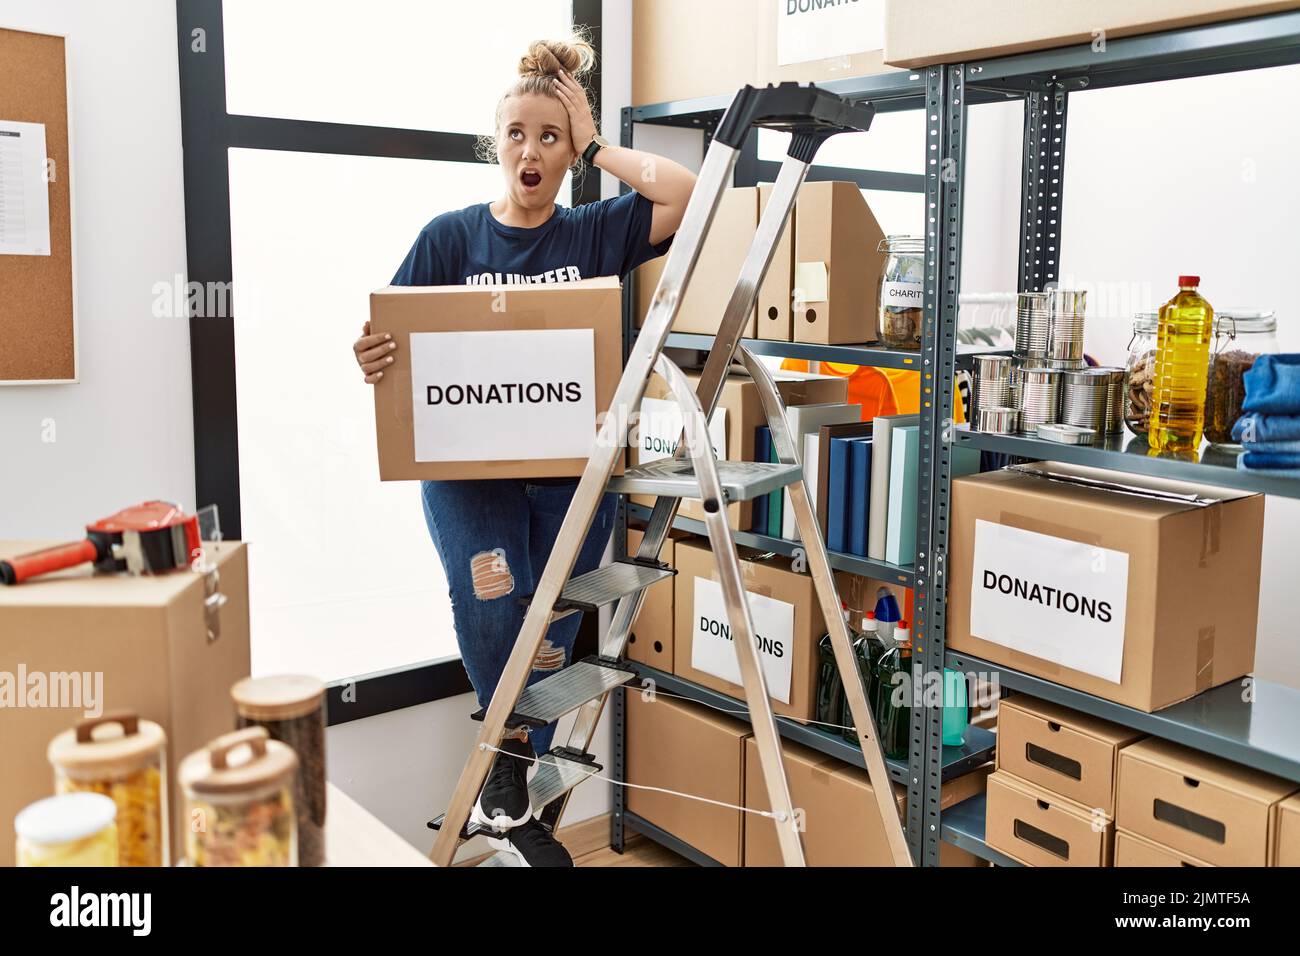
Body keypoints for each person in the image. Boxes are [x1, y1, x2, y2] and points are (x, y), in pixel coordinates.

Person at [352, 35, 696, 867]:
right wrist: (371, 358)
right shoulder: (450, 239)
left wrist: (598, 145)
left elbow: (688, 194)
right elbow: (389, 339)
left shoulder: (596, 230)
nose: (531, 151)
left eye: (550, 136)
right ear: (494, 143)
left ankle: (522, 791)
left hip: (570, 475)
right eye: (517, 133)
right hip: (469, 477)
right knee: (491, 601)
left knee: (551, 625)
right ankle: (509, 755)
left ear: (568, 150)